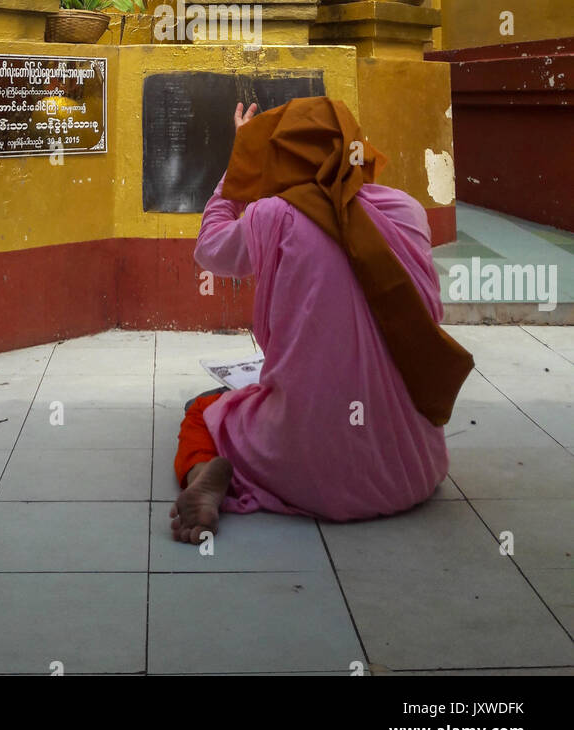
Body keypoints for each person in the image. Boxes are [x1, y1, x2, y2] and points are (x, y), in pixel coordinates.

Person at [170, 96, 474, 543]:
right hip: (413, 473)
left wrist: (235, 168)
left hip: (306, 474)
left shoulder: (273, 215)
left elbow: (210, 248)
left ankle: (205, 474)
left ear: (280, 157)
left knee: (204, 411)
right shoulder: (406, 211)